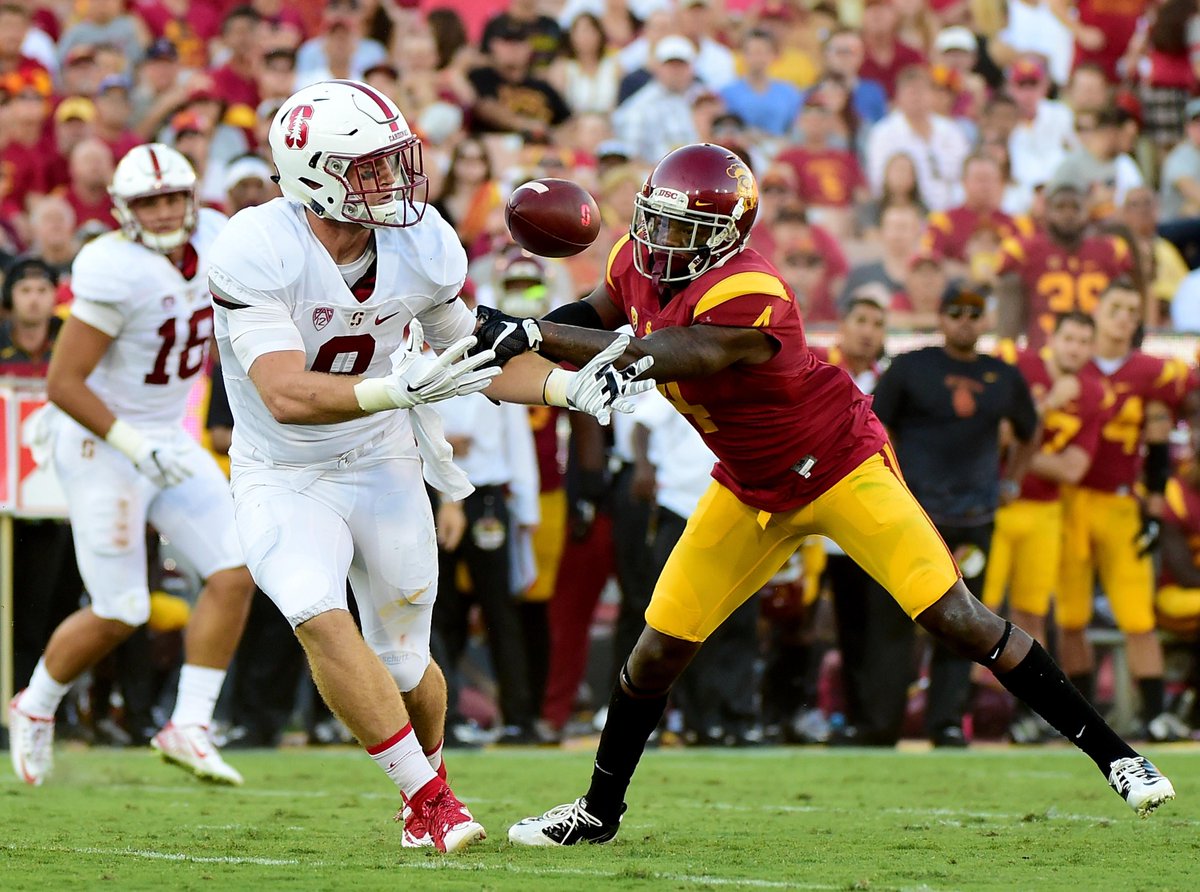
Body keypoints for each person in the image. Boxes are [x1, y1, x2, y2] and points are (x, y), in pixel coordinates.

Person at [471, 143, 1175, 846]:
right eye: (654, 220)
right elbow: (598, 312)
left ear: (725, 237)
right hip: (749, 487)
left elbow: (682, 351)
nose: (658, 240)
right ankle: (598, 813)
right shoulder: (636, 256)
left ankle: (1121, 757)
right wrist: (512, 330)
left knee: (956, 616)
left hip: (838, 465)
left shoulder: (751, 289)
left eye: (680, 229)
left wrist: (535, 333)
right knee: (656, 651)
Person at [205, 79, 651, 853]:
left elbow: (475, 354)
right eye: (369, 168)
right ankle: (432, 797)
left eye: (392, 161)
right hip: (284, 470)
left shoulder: (421, 240)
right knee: (315, 609)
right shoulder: (256, 245)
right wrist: (392, 385)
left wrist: (567, 387)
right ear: (313, 175)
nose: (394, 180)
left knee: (408, 663)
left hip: (381, 457)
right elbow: (282, 393)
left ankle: (426, 787)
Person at [8, 144, 257, 788]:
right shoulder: (111, 266)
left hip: (165, 436)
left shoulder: (218, 236)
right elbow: (64, 382)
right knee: (122, 609)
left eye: (175, 196)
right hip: (99, 441)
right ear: (124, 210)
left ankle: (190, 724)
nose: (167, 210)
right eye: (151, 201)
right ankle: (35, 705)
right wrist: (132, 442)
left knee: (237, 569)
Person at [871, 282, 1041, 747]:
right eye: (956, 311)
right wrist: (891, 479)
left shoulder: (1003, 375)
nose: (965, 320)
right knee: (896, 619)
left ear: (985, 319)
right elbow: (876, 424)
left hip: (974, 518)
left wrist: (1012, 481)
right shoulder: (909, 367)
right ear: (941, 317)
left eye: (974, 312)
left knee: (964, 624)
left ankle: (945, 722)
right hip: (914, 515)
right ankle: (882, 723)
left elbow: (1031, 430)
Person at [1056, 280, 1194, 742]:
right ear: (1097, 310)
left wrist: (1154, 507)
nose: (1123, 317)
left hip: (1120, 502)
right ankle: (1081, 718)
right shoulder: (1074, 360)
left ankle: (1153, 714)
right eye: (1116, 307)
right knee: (1071, 617)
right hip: (1071, 502)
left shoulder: (1150, 372)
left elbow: (1163, 437)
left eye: (1132, 309)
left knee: (1138, 617)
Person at [980, 312, 1105, 742]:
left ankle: (1024, 711)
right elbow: (996, 436)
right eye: (1069, 338)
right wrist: (1047, 405)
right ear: (1053, 338)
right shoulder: (1020, 366)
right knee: (979, 604)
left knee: (1032, 611)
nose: (1075, 348)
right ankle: (967, 707)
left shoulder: (1092, 392)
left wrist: (1023, 453)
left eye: (1083, 342)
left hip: (1045, 512)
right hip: (996, 504)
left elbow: (1072, 469)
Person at [995, 179, 1135, 350]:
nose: (1068, 214)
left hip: (1096, 354)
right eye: (1060, 207)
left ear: (1087, 211)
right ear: (1046, 211)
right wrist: (1007, 347)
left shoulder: (1111, 250)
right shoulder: (1024, 251)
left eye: (1075, 208)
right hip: (1044, 351)